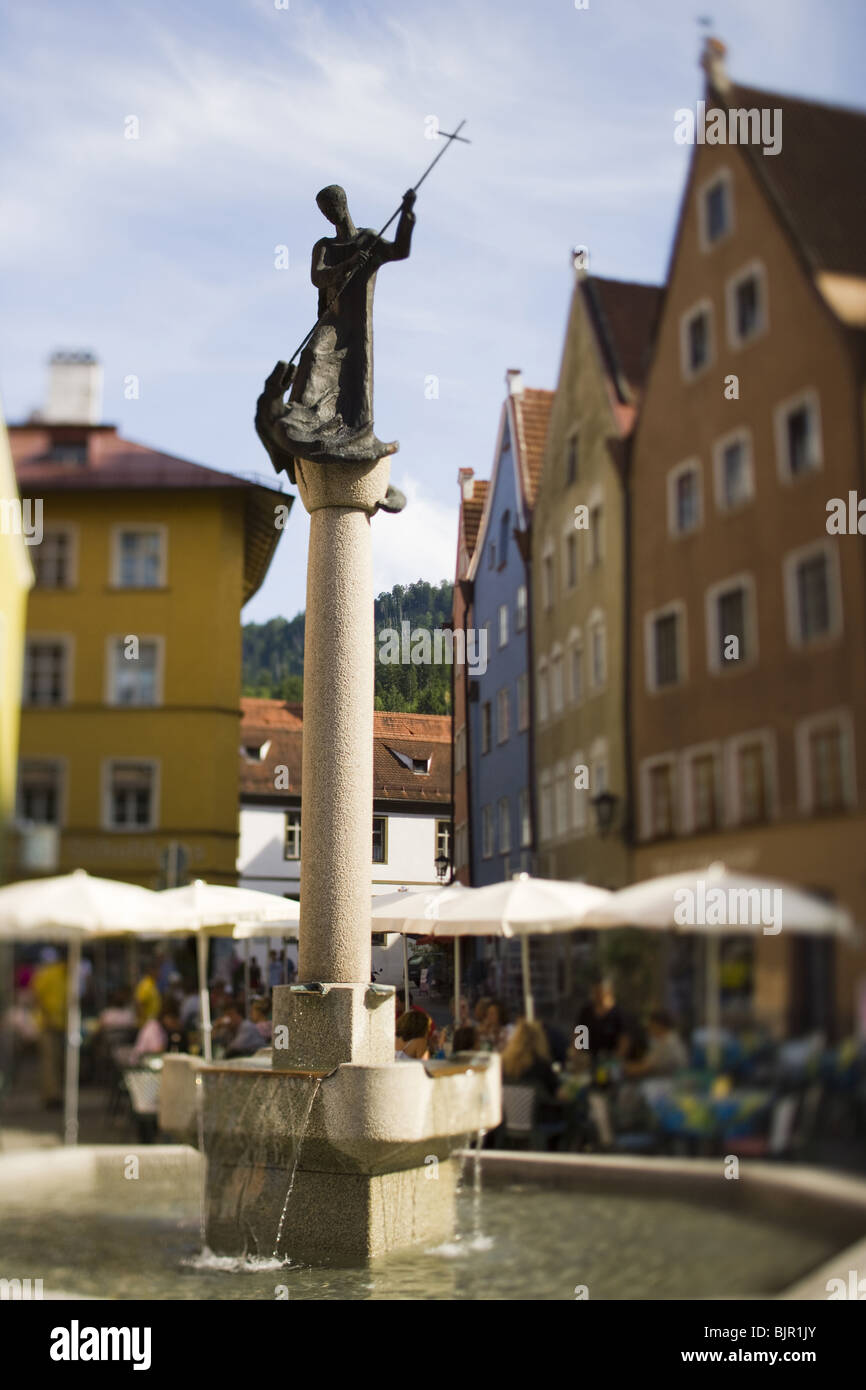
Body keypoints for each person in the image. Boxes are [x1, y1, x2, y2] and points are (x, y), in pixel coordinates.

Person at [32, 947, 67, 1108]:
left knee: (55, 1061)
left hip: (59, 1023)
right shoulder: (51, 974)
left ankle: (54, 1094)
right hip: (49, 1023)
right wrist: (47, 1015)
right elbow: (37, 995)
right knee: (51, 1061)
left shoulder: (64, 975)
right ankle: (52, 1096)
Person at [574, 978, 632, 1066]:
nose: (597, 996)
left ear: (608, 993)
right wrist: (578, 1055)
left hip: (610, 1059)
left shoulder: (619, 1014)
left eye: (600, 992)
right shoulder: (586, 1011)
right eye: (595, 992)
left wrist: (617, 1060)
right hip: (589, 1058)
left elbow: (624, 1039)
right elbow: (578, 1035)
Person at [501, 1020, 559, 1098]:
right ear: (540, 1039)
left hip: (509, 1109)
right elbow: (555, 1092)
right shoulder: (542, 1067)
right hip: (538, 1109)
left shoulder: (504, 1065)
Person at [624, 1010, 689, 1078]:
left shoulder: (667, 1042)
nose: (649, 1028)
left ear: (659, 1025)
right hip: (667, 1079)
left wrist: (622, 1068)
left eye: (651, 1025)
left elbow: (645, 1067)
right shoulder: (666, 1038)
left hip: (673, 1081)